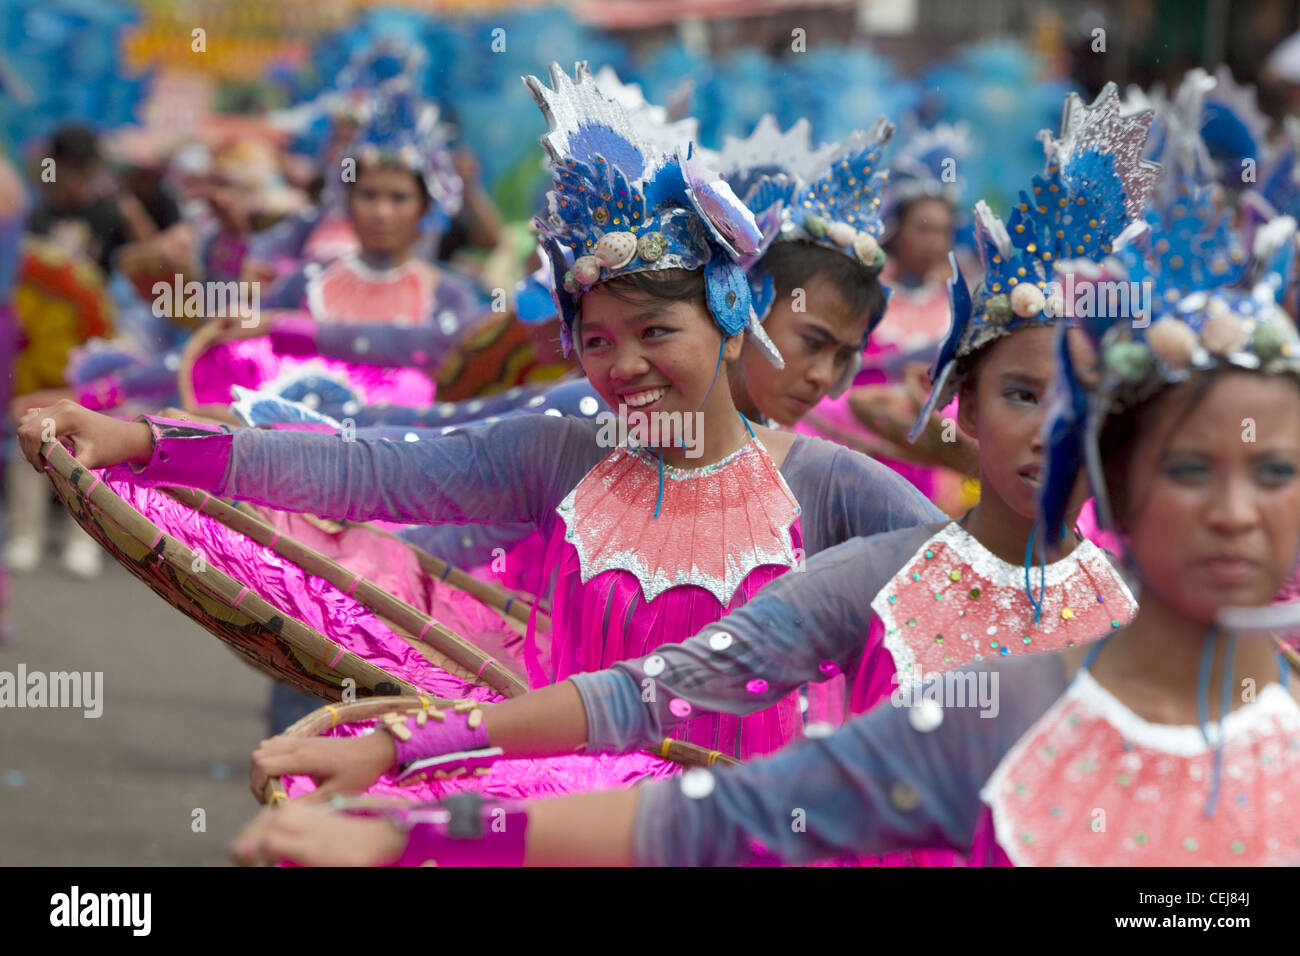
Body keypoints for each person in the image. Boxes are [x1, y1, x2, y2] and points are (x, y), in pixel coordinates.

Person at [229, 86, 1300, 868]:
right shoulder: (928, 623)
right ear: (965, 410)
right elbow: (671, 741)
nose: (1233, 513)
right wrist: (406, 784)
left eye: (1275, 470)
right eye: (1193, 466)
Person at [18, 63, 943, 763]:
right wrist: (142, 441)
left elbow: (974, 599)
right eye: (597, 340)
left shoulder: (833, 488)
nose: (624, 366)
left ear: (734, 321)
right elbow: (360, 467)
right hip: (567, 819)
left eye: (657, 331)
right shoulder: (560, 454)